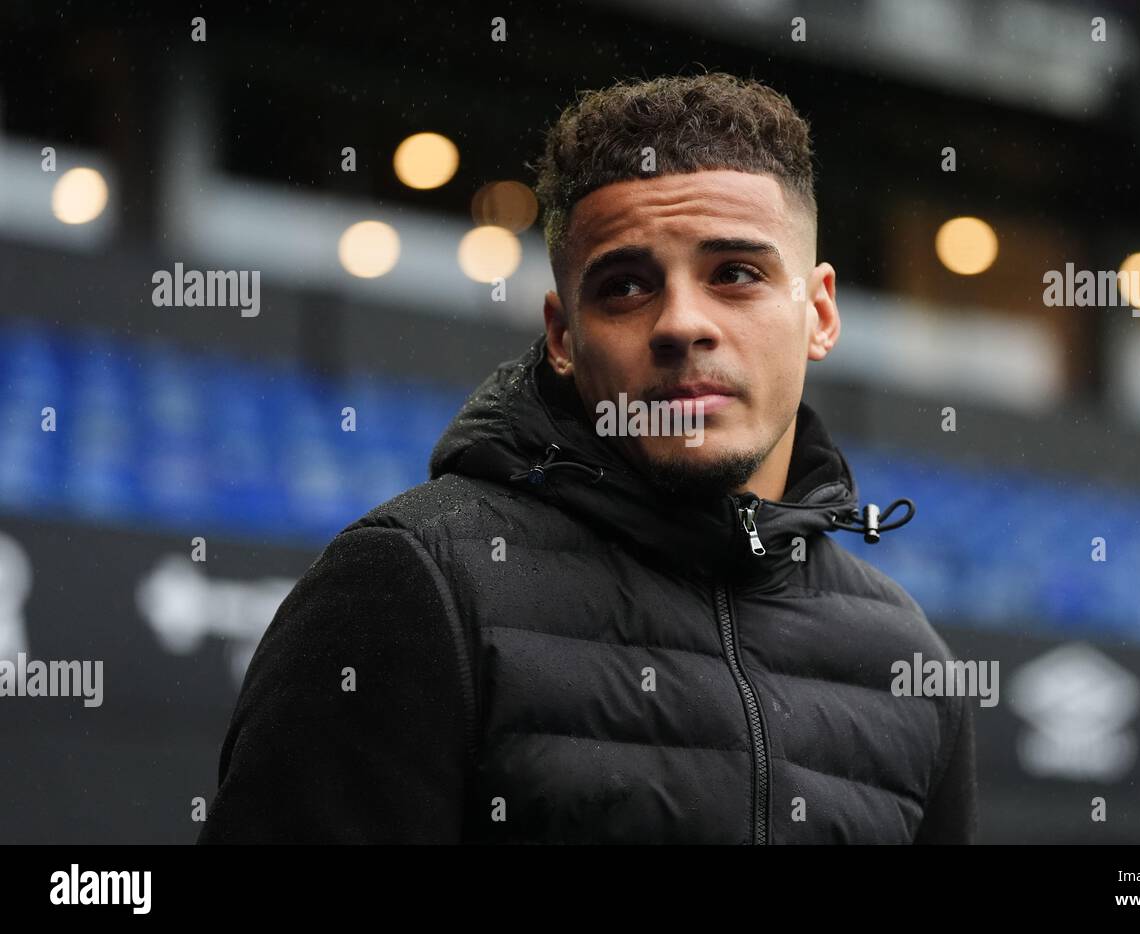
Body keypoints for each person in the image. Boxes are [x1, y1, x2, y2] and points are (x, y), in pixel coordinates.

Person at [198, 71, 977, 844]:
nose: (681, 323)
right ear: (563, 337)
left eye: (735, 274)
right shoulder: (410, 585)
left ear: (819, 312)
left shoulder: (907, 660)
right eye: (626, 288)